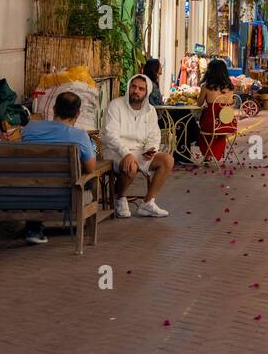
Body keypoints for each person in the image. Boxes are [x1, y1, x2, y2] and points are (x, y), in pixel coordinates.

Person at [20, 90, 99, 244]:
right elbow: (91, 168)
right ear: (77, 114)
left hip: (31, 190)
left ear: (54, 109)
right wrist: (92, 147)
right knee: (88, 179)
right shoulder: (80, 136)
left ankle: (34, 226)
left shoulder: (30, 128)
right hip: (66, 194)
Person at [101, 74, 174, 218]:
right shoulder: (115, 105)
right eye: (134, 87)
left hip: (140, 151)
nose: (136, 91)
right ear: (129, 87)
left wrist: (151, 149)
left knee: (167, 160)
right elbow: (110, 135)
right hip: (115, 151)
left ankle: (147, 203)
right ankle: (119, 198)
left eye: (141, 89)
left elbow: (154, 135)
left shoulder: (150, 110)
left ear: (146, 92)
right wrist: (126, 153)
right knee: (131, 165)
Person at [197, 58, 238, 163]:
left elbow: (199, 103)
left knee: (203, 130)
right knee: (218, 132)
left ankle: (208, 155)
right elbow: (232, 104)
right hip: (228, 123)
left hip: (211, 123)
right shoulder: (230, 87)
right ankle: (214, 153)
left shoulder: (206, 87)